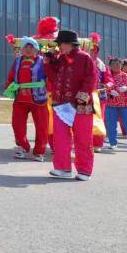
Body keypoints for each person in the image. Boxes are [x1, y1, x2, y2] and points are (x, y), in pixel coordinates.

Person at [43, 30, 98, 180]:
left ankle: (84, 170)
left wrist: (82, 96)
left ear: (69, 44)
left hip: (81, 104)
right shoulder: (60, 59)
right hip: (61, 104)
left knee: (83, 137)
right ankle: (63, 168)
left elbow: (91, 78)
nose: (59, 47)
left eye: (60, 44)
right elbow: (53, 77)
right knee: (60, 137)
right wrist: (49, 61)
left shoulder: (84, 57)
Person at [5, 37, 49, 162]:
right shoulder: (17, 61)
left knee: (42, 126)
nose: (28, 50)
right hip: (20, 99)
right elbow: (11, 76)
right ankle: (23, 147)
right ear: (22, 49)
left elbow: (49, 77)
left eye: (31, 47)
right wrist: (10, 87)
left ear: (36, 49)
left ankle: (39, 152)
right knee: (17, 124)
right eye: (26, 47)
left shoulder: (43, 61)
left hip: (39, 99)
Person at [103, 57, 127, 152]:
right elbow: (100, 87)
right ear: (110, 66)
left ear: (121, 65)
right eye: (113, 64)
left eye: (118, 64)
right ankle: (113, 143)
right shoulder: (107, 76)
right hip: (111, 104)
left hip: (125, 104)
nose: (116, 66)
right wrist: (109, 91)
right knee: (111, 125)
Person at [87, 34, 113, 153]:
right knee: (84, 119)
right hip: (85, 95)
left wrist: (107, 85)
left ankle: (97, 143)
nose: (92, 52)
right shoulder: (82, 63)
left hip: (99, 97)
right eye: (90, 50)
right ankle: (85, 142)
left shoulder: (102, 66)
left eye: (95, 50)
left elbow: (110, 80)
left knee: (98, 119)